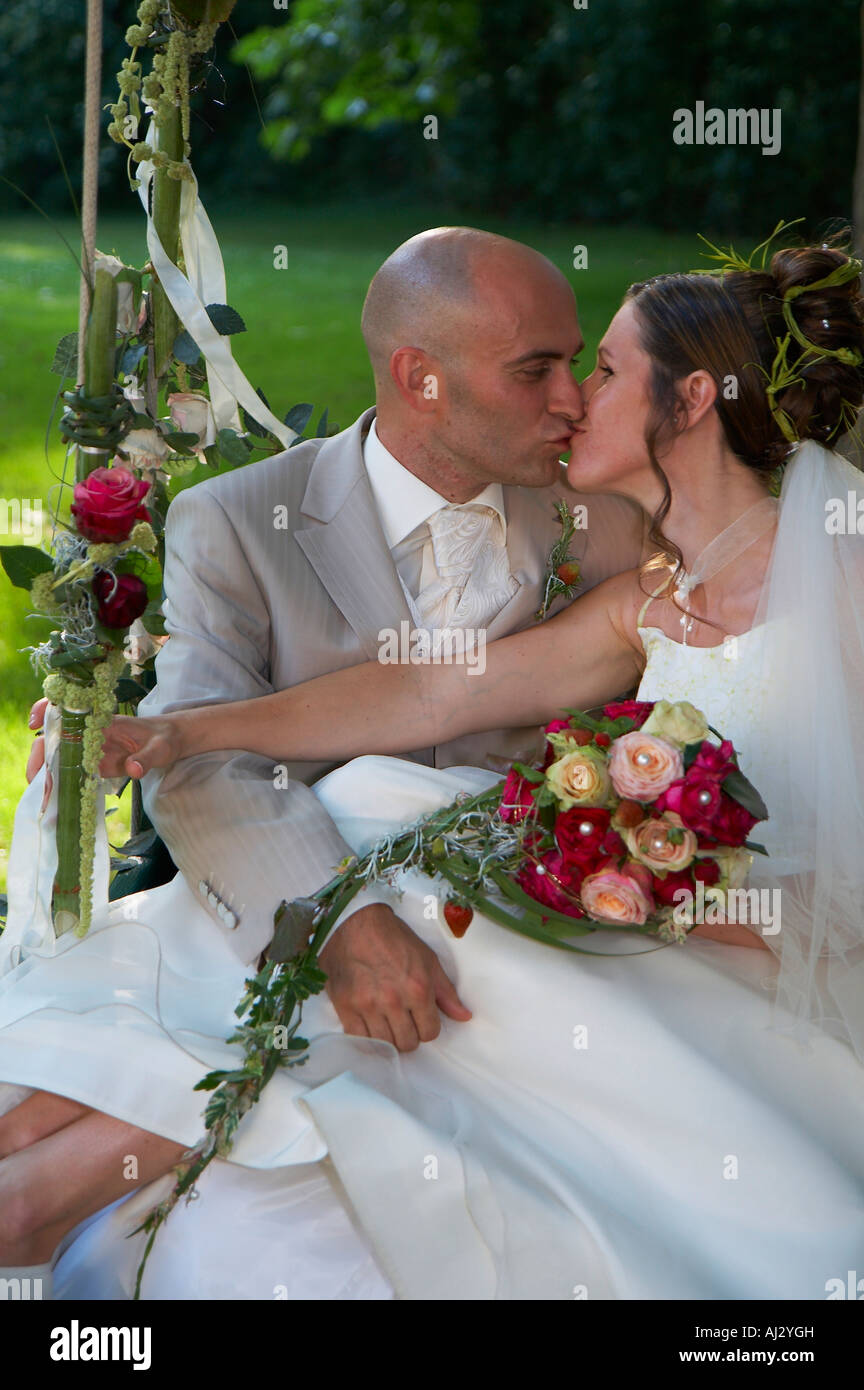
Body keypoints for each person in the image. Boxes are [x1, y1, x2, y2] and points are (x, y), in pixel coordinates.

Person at [5, 239, 864, 1300]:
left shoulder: (835, 569)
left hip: (757, 959)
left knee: (404, 845)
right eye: (551, 369)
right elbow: (432, 692)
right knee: (381, 803)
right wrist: (189, 731)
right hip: (566, 906)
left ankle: (36, 1188)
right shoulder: (648, 592)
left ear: (691, 400)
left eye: (599, 370)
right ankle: (31, 1159)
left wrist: (658, 890)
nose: (574, 399)